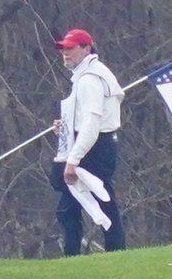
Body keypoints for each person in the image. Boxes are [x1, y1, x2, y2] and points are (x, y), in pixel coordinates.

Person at [50, 28, 126, 255]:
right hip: (96, 146)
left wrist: (72, 161)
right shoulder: (89, 75)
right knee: (70, 206)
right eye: (63, 48)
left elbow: (92, 126)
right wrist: (65, 127)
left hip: (94, 149)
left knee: (101, 201)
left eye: (71, 48)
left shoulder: (90, 80)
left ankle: (112, 251)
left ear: (87, 48)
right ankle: (85, 253)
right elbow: (84, 119)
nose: (65, 53)